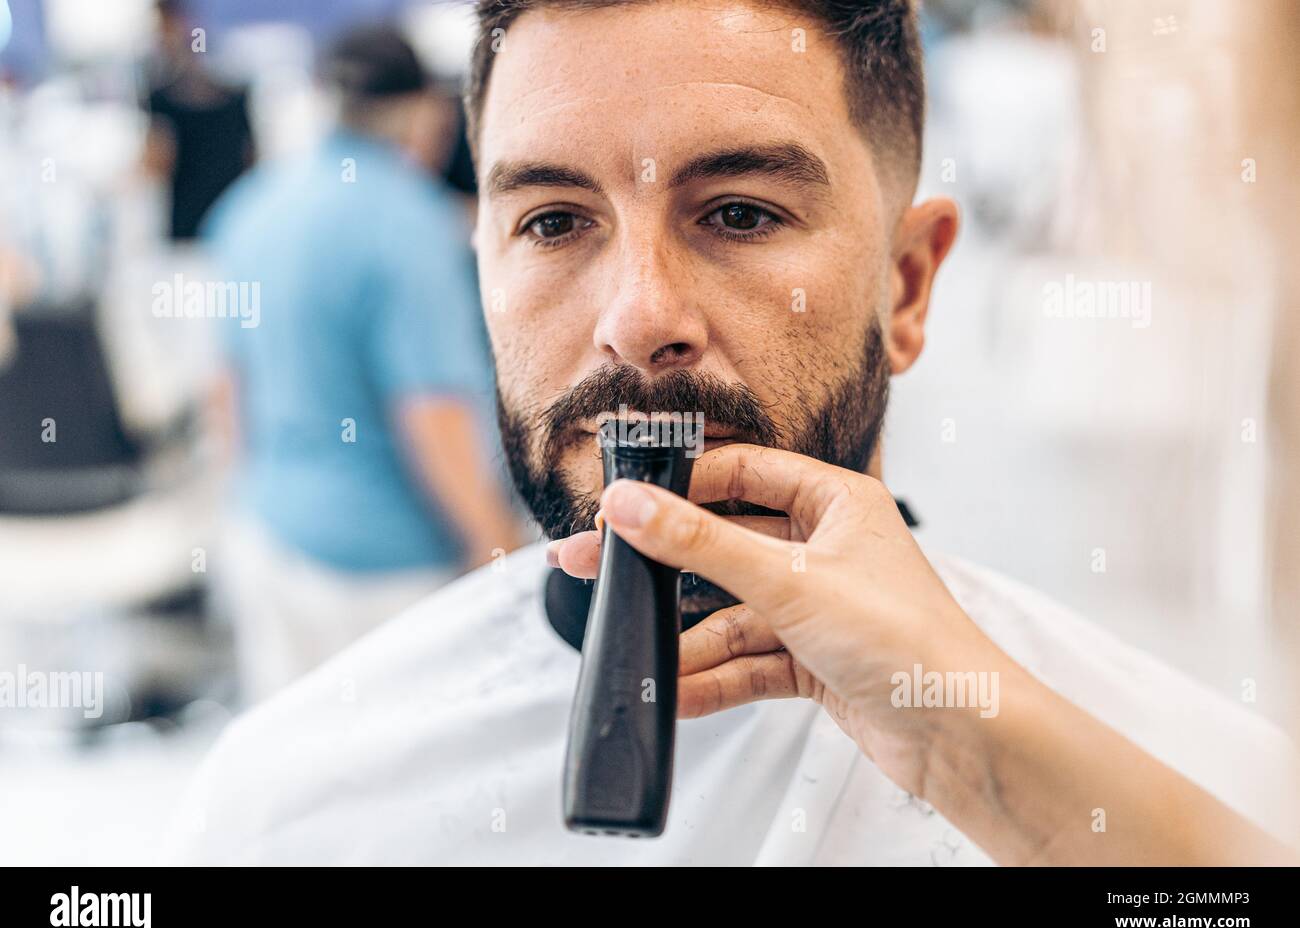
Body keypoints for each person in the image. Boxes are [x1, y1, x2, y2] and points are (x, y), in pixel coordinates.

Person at [171, 0, 1296, 864]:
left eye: (741, 213)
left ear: (905, 287)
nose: (636, 321)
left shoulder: (1197, 797)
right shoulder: (288, 803)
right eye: (554, 222)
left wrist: (987, 765)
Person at [205, 24, 524, 702]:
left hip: (269, 536)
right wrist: (494, 546)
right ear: (430, 114)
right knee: (405, 787)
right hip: (386, 571)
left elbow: (228, 389)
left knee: (296, 764)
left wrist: (241, 507)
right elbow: (431, 413)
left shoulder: (252, 205)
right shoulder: (409, 227)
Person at [142, 0, 255, 242]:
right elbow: (252, 160)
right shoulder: (236, 93)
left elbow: (156, 163)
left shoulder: (162, 98)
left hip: (189, 232)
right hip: (233, 226)